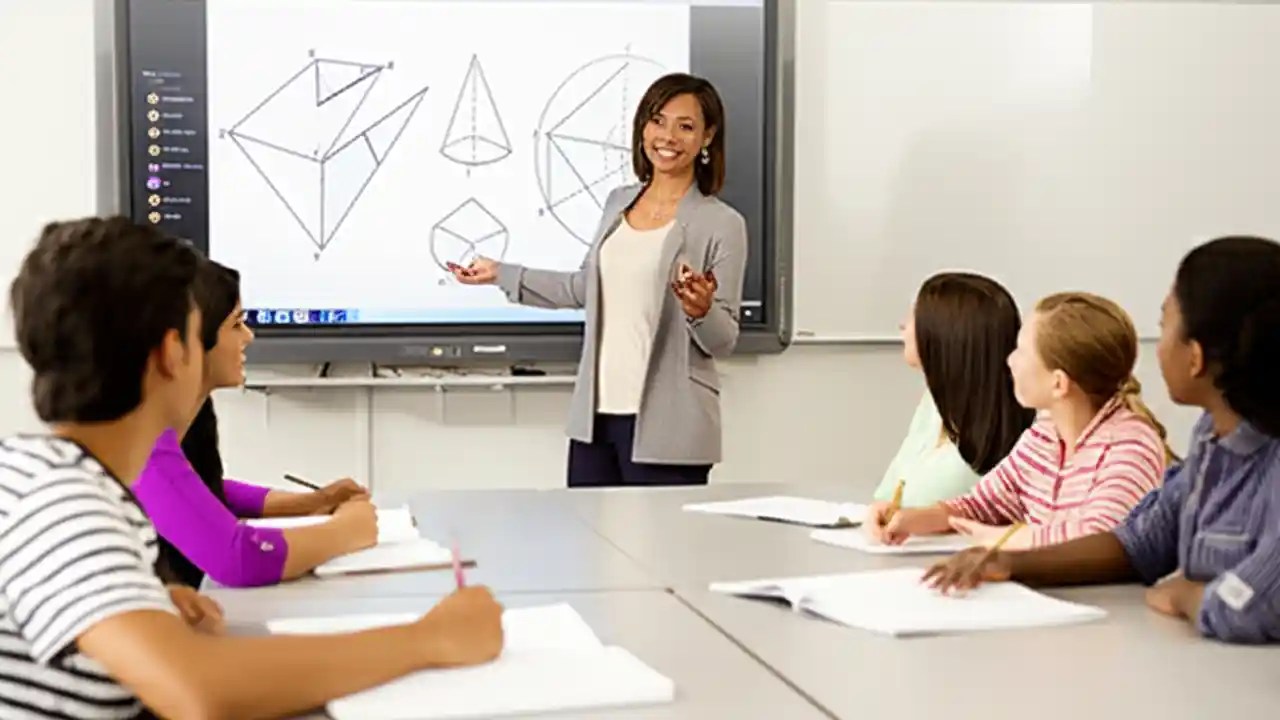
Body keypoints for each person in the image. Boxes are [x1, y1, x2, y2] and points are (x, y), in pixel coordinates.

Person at [0, 217, 502, 719]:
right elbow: (199, 690)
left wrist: (146, 604)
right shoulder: (61, 501)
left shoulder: (55, 479)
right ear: (173, 353)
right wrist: (429, 639)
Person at [924, 236, 1280, 643]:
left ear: (1195, 358)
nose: (1156, 345)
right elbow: (1139, 542)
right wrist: (1010, 563)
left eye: (1164, 326)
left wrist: (1188, 597)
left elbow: (1253, 605)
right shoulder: (1211, 439)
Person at [451, 73, 747, 487]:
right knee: (593, 548)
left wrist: (700, 311)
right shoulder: (617, 204)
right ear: (642, 127)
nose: (668, 136)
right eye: (658, 120)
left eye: (686, 126)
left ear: (707, 137)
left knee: (659, 552)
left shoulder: (722, 224)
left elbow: (724, 339)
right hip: (596, 420)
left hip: (671, 428)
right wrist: (502, 274)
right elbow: (583, 287)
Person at [135, 260, 377, 588]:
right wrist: (346, 532)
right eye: (237, 325)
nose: (248, 337)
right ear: (185, 343)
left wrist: (310, 504)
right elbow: (239, 559)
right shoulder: (143, 447)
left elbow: (194, 493)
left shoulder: (180, 424)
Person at [866, 291, 1174, 549]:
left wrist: (1002, 539)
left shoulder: (1131, 444)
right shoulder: (1043, 435)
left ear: (1058, 383)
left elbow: (1099, 540)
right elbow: (981, 505)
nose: (1010, 361)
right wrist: (917, 518)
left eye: (1022, 352)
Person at [873, 272, 1035, 507]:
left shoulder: (990, 454)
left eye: (916, 315)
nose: (903, 325)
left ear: (946, 335)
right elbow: (886, 497)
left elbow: (908, 504)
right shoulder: (934, 404)